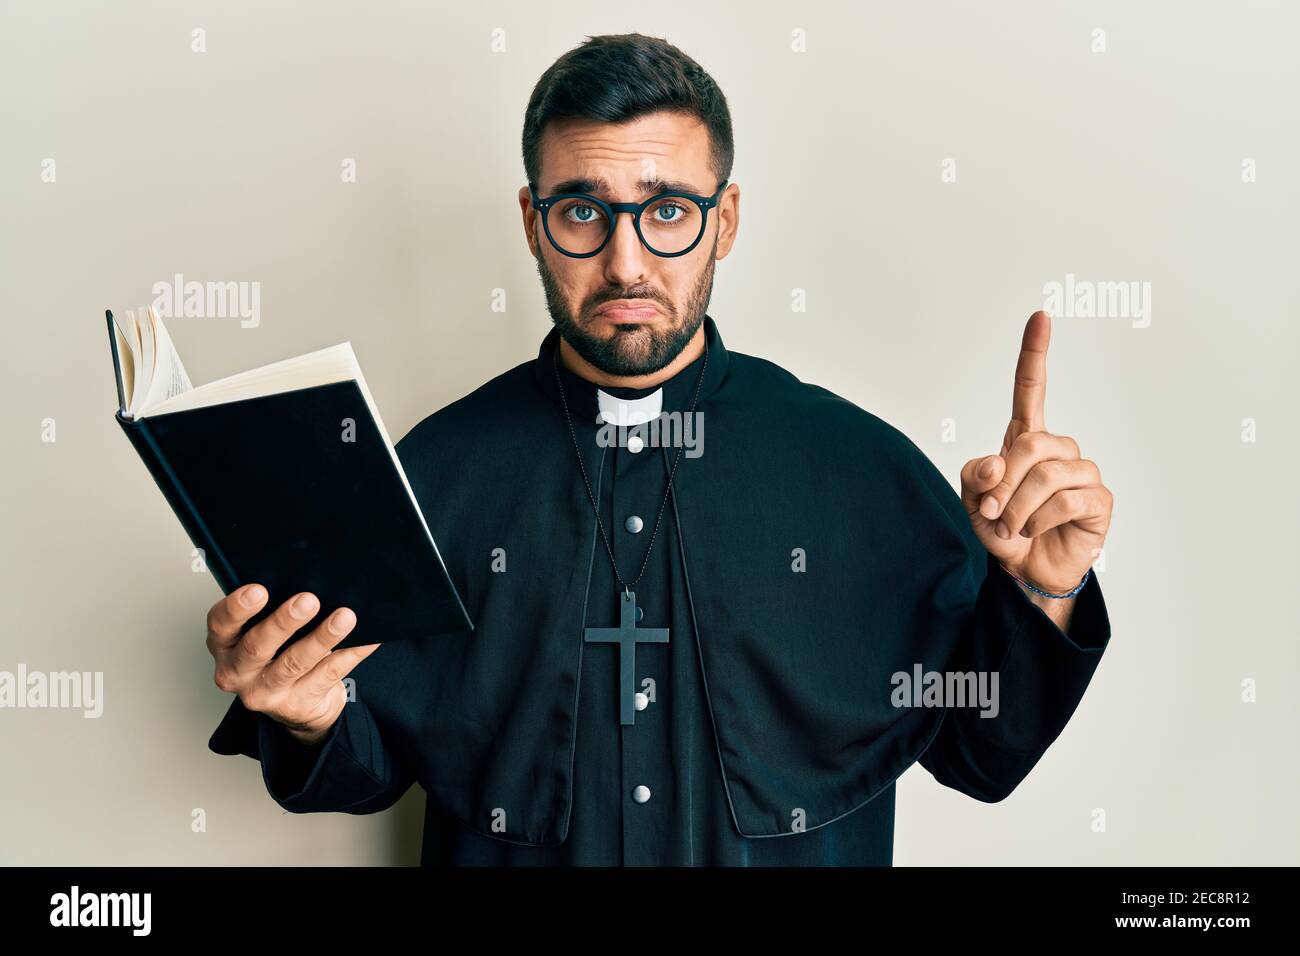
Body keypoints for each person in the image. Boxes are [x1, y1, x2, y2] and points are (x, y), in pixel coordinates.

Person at [206, 32, 1113, 866]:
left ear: (726, 220)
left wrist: (1045, 591)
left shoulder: (861, 469)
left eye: (668, 210)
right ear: (531, 221)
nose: (626, 263)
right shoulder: (433, 471)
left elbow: (982, 757)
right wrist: (309, 713)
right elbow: (367, 766)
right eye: (582, 211)